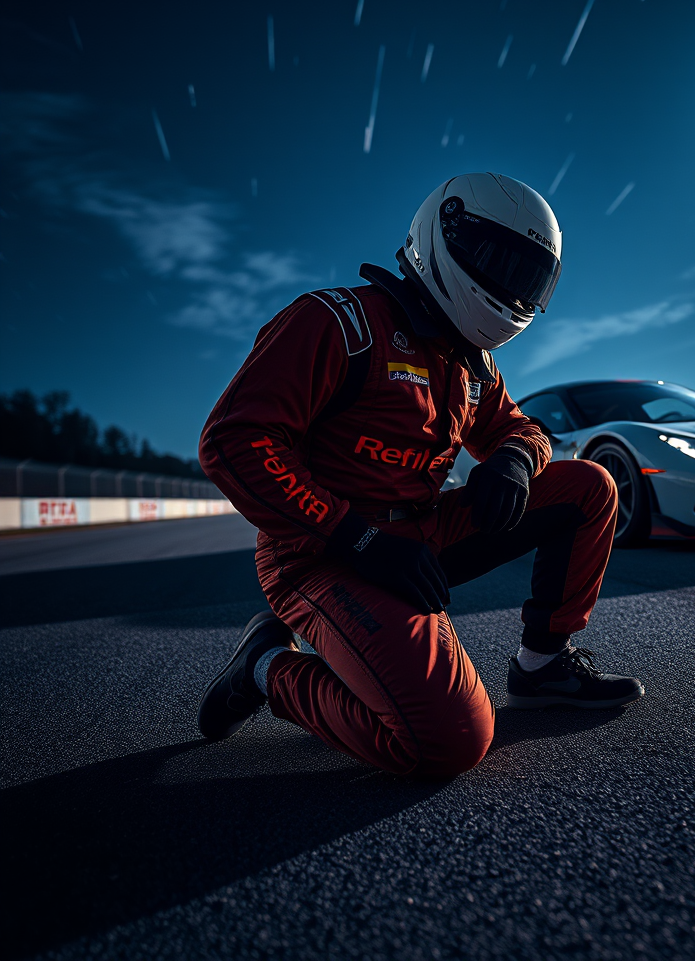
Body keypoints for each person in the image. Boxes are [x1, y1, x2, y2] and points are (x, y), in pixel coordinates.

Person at [196, 172, 643, 777]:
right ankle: (266, 667)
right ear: (443, 232)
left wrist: (514, 459)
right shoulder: (338, 322)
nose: (511, 288)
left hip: (418, 541)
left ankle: (542, 667)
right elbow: (234, 442)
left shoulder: (473, 366)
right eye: (498, 263)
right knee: (451, 740)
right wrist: (356, 537)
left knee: (590, 485)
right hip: (322, 555)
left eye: (527, 277)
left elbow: (523, 429)